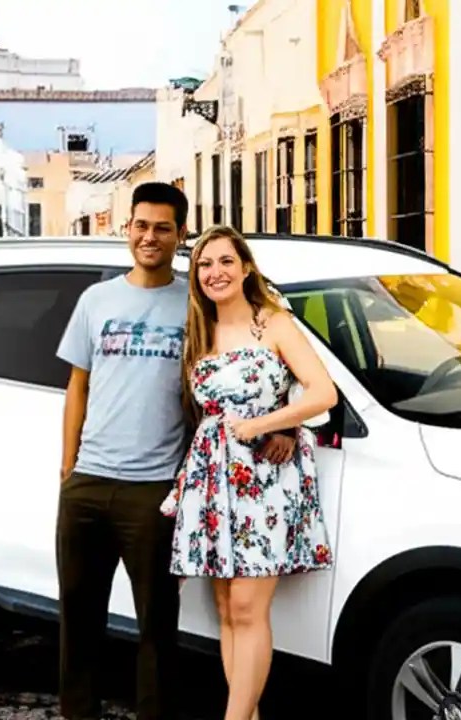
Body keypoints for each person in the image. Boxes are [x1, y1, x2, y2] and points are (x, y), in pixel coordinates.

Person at [54, 184, 297, 720]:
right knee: (78, 618)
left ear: (180, 235)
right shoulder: (95, 302)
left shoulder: (197, 303)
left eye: (163, 228)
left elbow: (248, 360)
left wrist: (285, 424)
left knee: (158, 628)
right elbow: (78, 386)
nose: (150, 236)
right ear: (127, 229)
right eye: (141, 225)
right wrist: (69, 468)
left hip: (159, 489)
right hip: (89, 484)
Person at [162, 225, 337, 720]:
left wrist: (272, 424)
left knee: (246, 608)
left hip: (265, 475)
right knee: (224, 611)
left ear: (245, 268)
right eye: (204, 264)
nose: (215, 272)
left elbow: (323, 393)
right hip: (213, 478)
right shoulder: (199, 331)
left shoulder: (274, 323)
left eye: (224, 261)